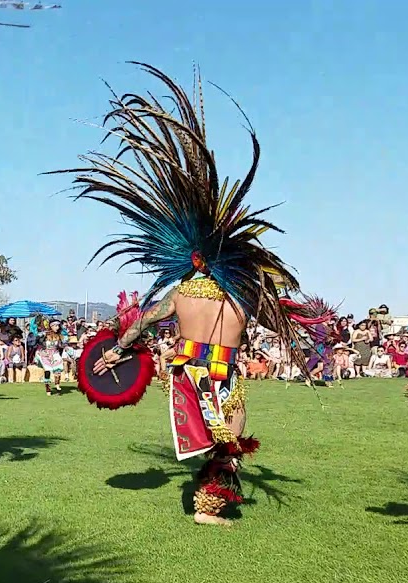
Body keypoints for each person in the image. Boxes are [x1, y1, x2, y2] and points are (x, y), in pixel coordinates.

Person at [61, 64, 310, 526]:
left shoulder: (183, 294)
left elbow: (141, 324)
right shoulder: (247, 294)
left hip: (189, 373)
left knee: (224, 436)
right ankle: (208, 506)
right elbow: (282, 323)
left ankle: (212, 495)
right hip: (222, 371)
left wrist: (116, 350)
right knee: (229, 435)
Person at [35, 319, 66, 395]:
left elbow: (61, 345)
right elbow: (37, 340)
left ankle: (57, 384)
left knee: (58, 369)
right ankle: (48, 388)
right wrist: (42, 335)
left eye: (58, 326)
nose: (57, 327)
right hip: (46, 354)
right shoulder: (46, 334)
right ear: (51, 326)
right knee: (48, 370)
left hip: (55, 353)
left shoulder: (59, 336)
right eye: (55, 326)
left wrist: (64, 346)